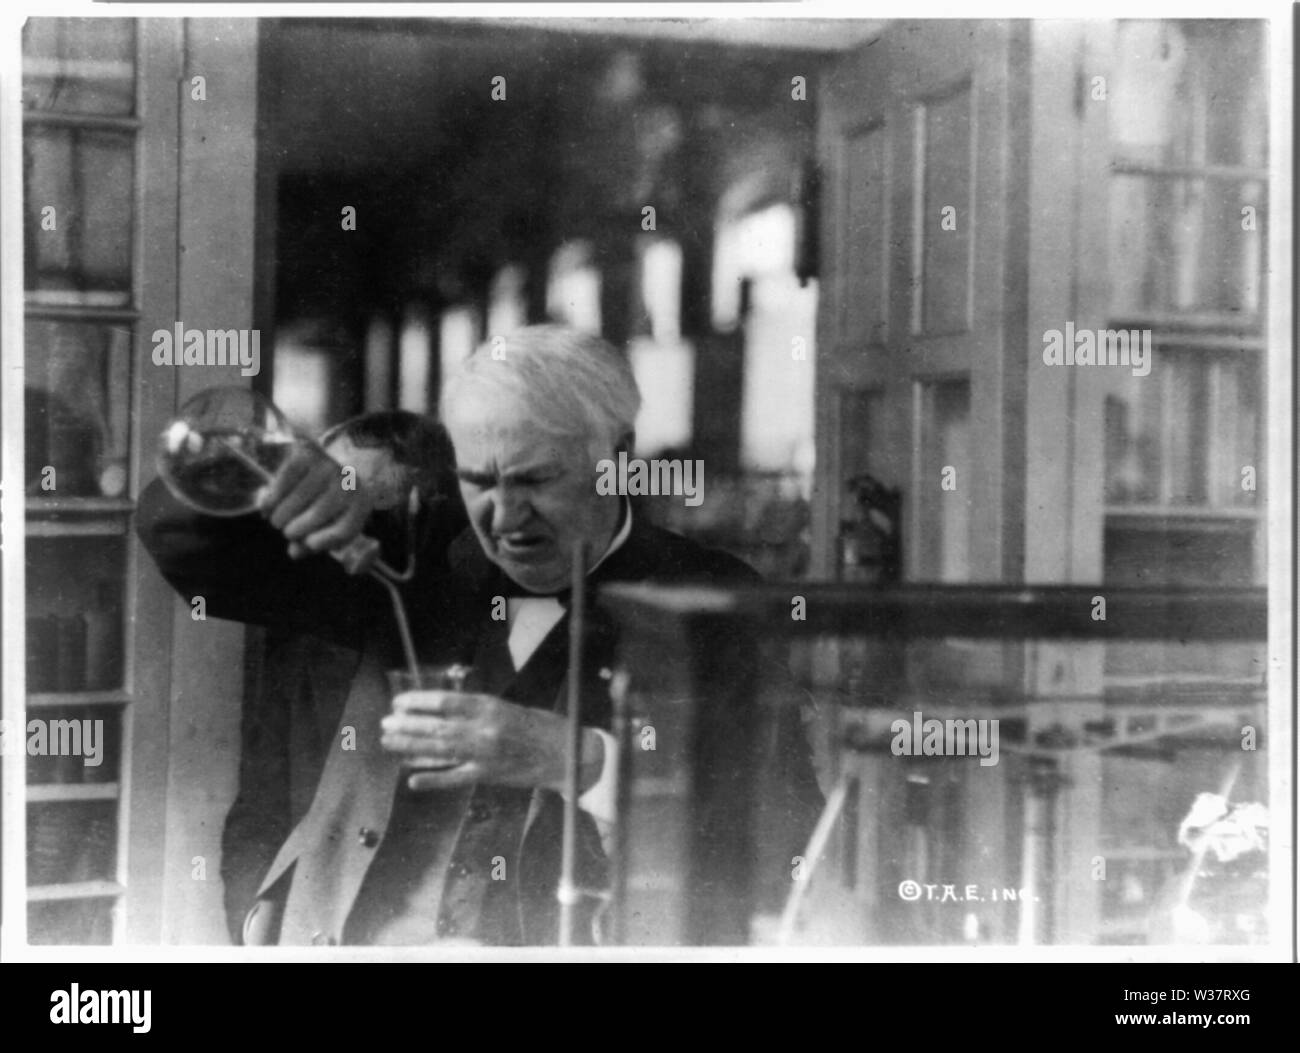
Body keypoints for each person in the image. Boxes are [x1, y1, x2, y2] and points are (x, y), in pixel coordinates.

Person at [139, 324, 822, 945]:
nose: (505, 516)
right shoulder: (406, 555)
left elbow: (782, 836)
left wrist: (582, 761)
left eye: (537, 479)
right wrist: (272, 471)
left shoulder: (707, 596)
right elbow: (187, 547)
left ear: (619, 456)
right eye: (478, 481)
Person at [219, 411, 464, 943]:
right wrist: (254, 921)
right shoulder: (308, 641)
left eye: (355, 508)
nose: (329, 533)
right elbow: (259, 807)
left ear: (418, 517)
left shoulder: (482, 642)